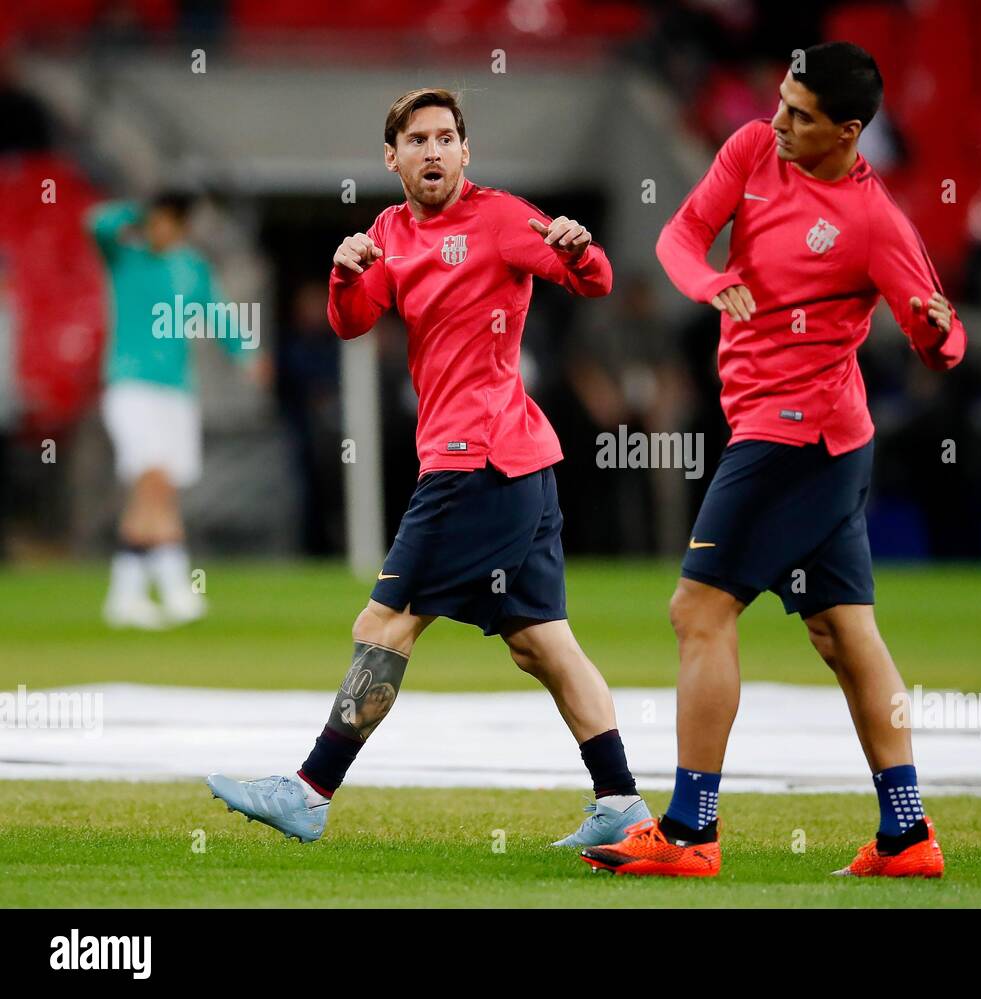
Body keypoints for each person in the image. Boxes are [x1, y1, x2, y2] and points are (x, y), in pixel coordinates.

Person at [206, 88, 649, 848]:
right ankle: (622, 806)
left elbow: (594, 279)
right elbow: (352, 320)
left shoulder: (503, 216)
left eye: (447, 137)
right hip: (517, 463)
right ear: (394, 157)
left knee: (384, 620)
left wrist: (579, 248)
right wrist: (345, 270)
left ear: (466, 152)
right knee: (541, 641)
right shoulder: (388, 231)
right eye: (418, 140)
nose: (434, 150)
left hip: (474, 461)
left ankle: (310, 790)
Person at [581, 43, 964, 878]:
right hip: (796, 434)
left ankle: (688, 831)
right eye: (782, 101)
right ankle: (907, 835)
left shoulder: (874, 221)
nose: (779, 121)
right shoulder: (754, 149)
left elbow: (942, 338)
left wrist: (937, 330)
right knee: (842, 629)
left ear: (850, 131)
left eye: (802, 114)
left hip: (797, 439)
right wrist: (711, 283)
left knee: (698, 610)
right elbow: (680, 237)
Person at [89, 192, 262, 629]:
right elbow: (98, 224)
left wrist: (246, 353)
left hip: (176, 392)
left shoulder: (191, 267)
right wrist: (137, 209)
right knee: (153, 479)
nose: (160, 229)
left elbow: (218, 316)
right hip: (131, 387)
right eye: (156, 221)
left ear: (182, 226)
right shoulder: (126, 256)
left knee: (160, 489)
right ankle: (173, 586)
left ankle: (125, 593)